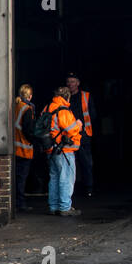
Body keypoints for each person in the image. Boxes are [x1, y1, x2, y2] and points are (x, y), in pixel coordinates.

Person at [44, 86, 83, 216]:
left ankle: (53, 206)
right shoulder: (63, 110)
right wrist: (78, 124)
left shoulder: (48, 107)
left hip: (51, 149)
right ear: (67, 96)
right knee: (66, 178)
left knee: (54, 177)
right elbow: (71, 129)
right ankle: (65, 207)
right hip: (64, 150)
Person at [65, 73, 94, 198]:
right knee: (70, 163)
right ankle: (73, 189)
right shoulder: (65, 97)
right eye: (69, 82)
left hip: (84, 135)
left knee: (86, 162)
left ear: (78, 83)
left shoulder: (86, 96)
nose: (70, 84)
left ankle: (88, 188)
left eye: (73, 81)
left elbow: (93, 114)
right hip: (69, 135)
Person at [12, 84, 36, 214]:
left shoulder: (15, 106)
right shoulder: (27, 109)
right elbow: (28, 130)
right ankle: (21, 204)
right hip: (24, 148)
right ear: (30, 96)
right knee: (21, 178)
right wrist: (34, 140)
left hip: (14, 148)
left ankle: (15, 203)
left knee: (16, 178)